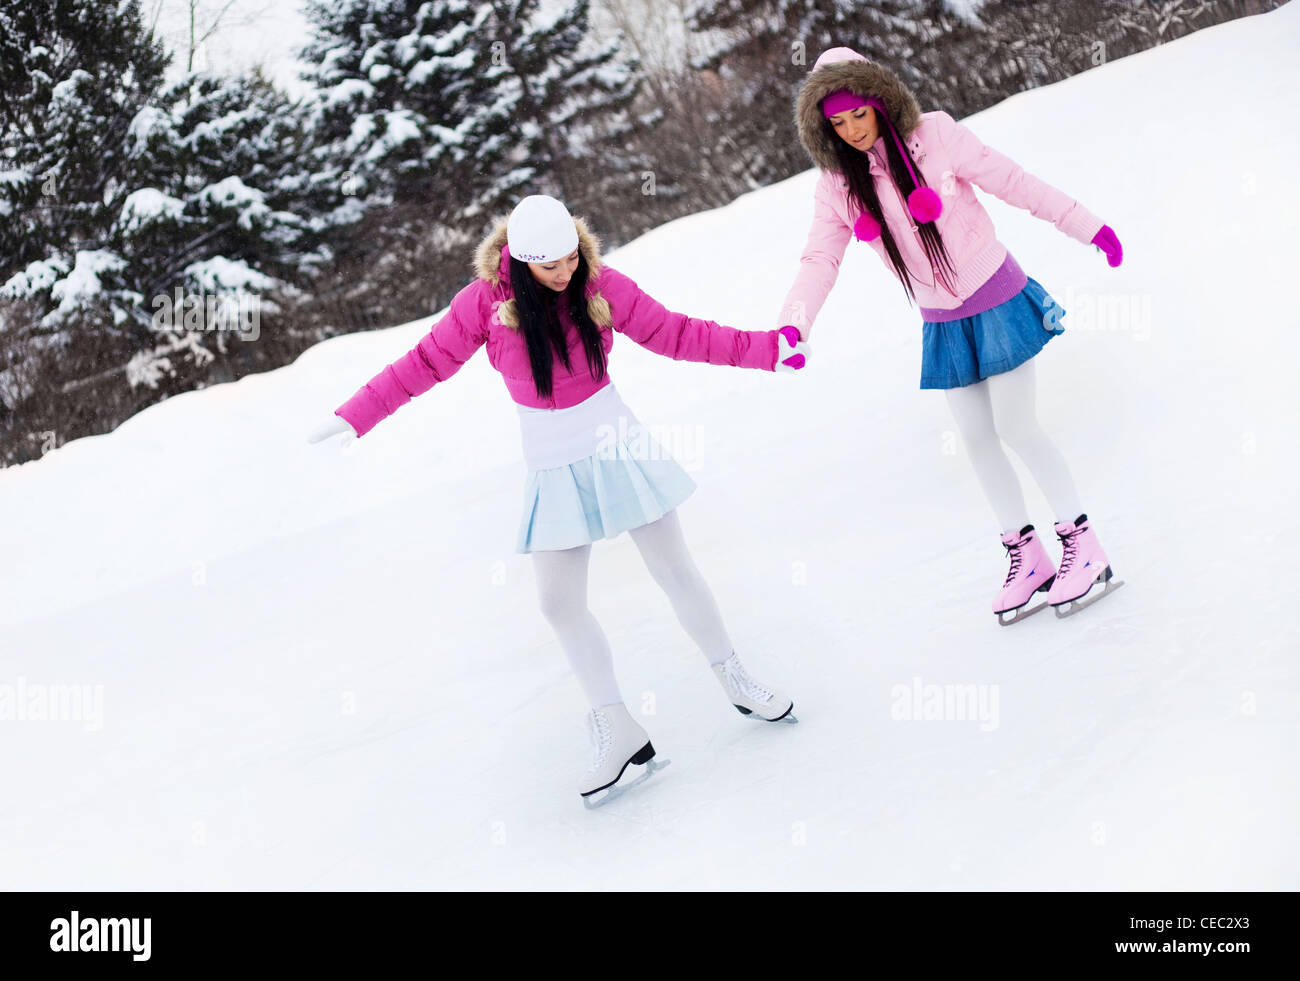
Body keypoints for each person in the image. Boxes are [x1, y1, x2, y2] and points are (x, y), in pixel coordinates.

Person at [309, 195, 807, 804]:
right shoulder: (484, 306)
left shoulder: (600, 286)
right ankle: (616, 725)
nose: (566, 271)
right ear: (519, 261)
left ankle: (736, 677)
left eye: (572, 256)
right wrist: (353, 418)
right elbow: (426, 361)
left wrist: (766, 350)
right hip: (551, 465)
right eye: (550, 265)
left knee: (673, 568)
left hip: (615, 445)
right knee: (557, 602)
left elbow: (676, 333)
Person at [779, 47, 1125, 624]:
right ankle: (1028, 555)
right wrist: (795, 323)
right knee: (977, 439)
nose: (851, 131)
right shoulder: (837, 186)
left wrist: (1088, 226)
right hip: (941, 319)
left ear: (879, 101)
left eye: (857, 115)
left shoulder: (935, 136)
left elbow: (1014, 182)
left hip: (996, 297)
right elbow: (819, 258)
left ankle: (1083, 545)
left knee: (1017, 425)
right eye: (836, 124)